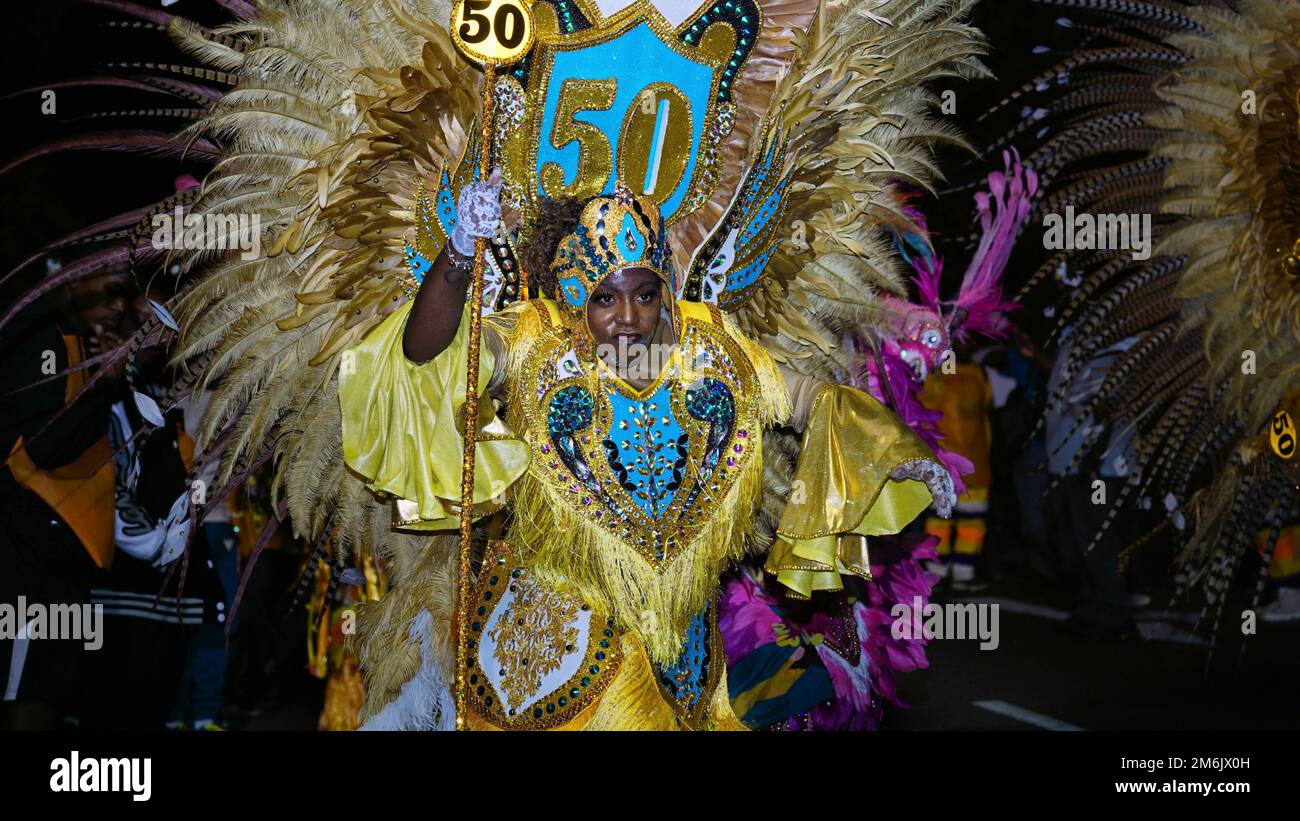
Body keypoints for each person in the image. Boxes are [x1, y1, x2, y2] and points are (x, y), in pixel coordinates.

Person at [339, 177, 955, 730]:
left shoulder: (709, 351)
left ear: (665, 289)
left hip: (683, 649)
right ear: (575, 294)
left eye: (644, 294)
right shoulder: (534, 343)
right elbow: (429, 355)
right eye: (606, 298)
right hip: (565, 640)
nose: (628, 317)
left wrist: (889, 453)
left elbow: (809, 397)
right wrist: (457, 258)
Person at [0, 262, 133, 729]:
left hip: (63, 559)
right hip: (27, 563)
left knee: (51, 692)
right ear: (76, 280)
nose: (120, 307)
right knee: (26, 695)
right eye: (111, 291)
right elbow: (45, 447)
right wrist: (104, 384)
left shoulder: (82, 344)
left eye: (125, 296)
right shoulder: (43, 339)